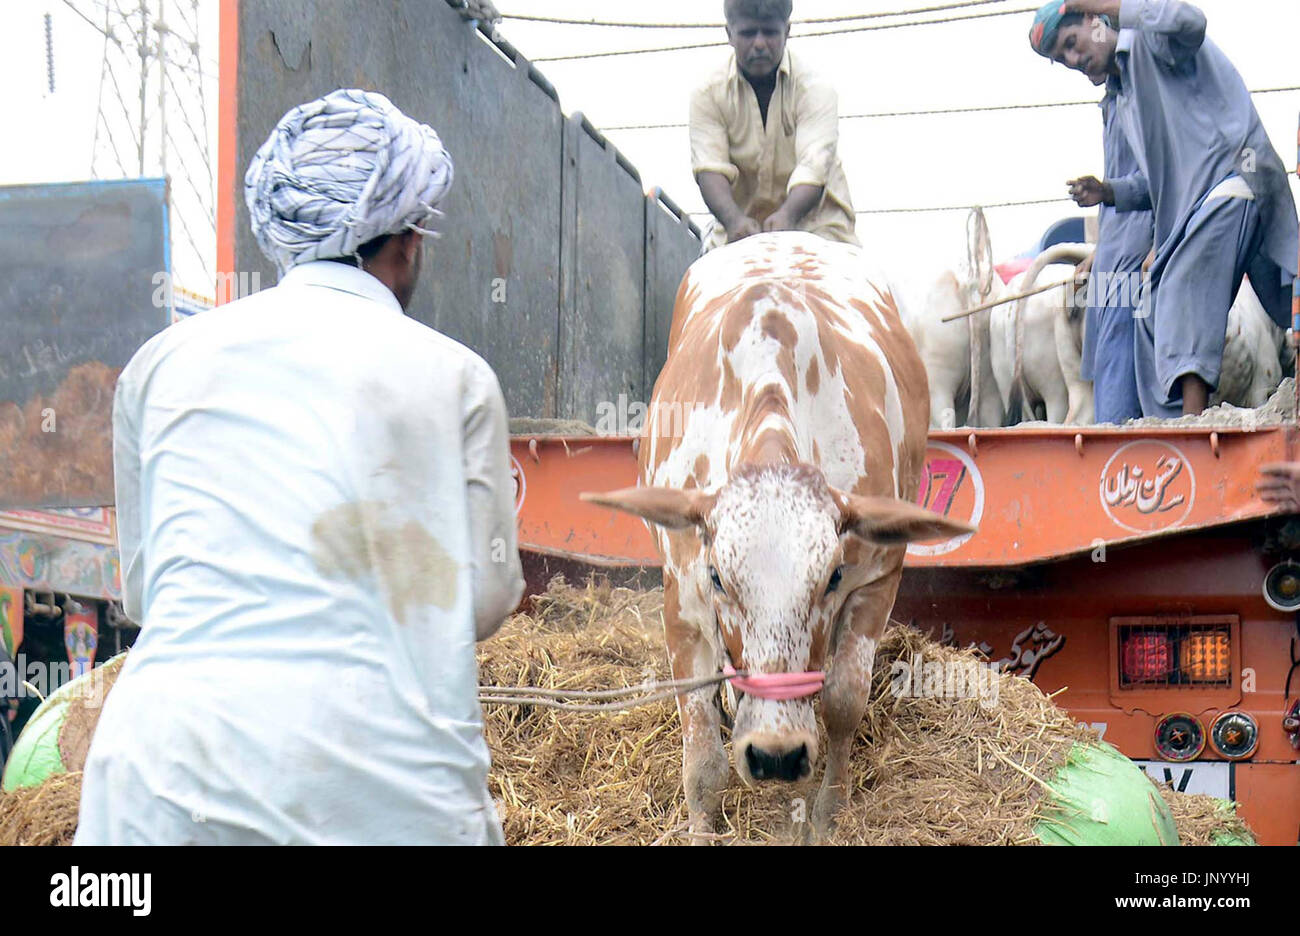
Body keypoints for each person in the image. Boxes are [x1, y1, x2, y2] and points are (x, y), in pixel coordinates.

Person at [76, 89, 525, 845]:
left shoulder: (158, 367)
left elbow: (149, 592)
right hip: (383, 803)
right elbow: (484, 598)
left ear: (281, 231)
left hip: (153, 795)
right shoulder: (458, 378)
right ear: (411, 236)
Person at [1030, 0, 1299, 417]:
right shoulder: (1125, 98)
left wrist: (1106, 5)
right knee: (1158, 303)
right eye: (1062, 58)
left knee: (1177, 288)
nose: (1073, 59)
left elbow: (1190, 21)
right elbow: (1157, 184)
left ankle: (1190, 429)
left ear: (1092, 20)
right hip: (1203, 205)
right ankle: (1174, 433)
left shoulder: (1149, 40)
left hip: (1236, 177)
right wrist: (1109, 192)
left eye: (1072, 42)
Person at [690, 0, 858, 251]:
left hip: (820, 234)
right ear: (730, 34)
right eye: (748, 33)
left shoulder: (815, 90)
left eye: (769, 32)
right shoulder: (708, 94)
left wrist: (788, 215)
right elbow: (709, 169)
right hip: (739, 239)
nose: (759, 44)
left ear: (786, 31)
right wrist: (734, 221)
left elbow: (814, 167)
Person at [1067, 84, 1153, 423]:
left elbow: (1167, 179)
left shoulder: (1147, 93)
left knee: (1121, 375)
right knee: (1109, 368)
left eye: (1073, 47)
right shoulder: (1113, 101)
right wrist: (1097, 253)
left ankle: (1120, 462)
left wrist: (1158, 243)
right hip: (1112, 256)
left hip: (1136, 255)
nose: (1074, 62)